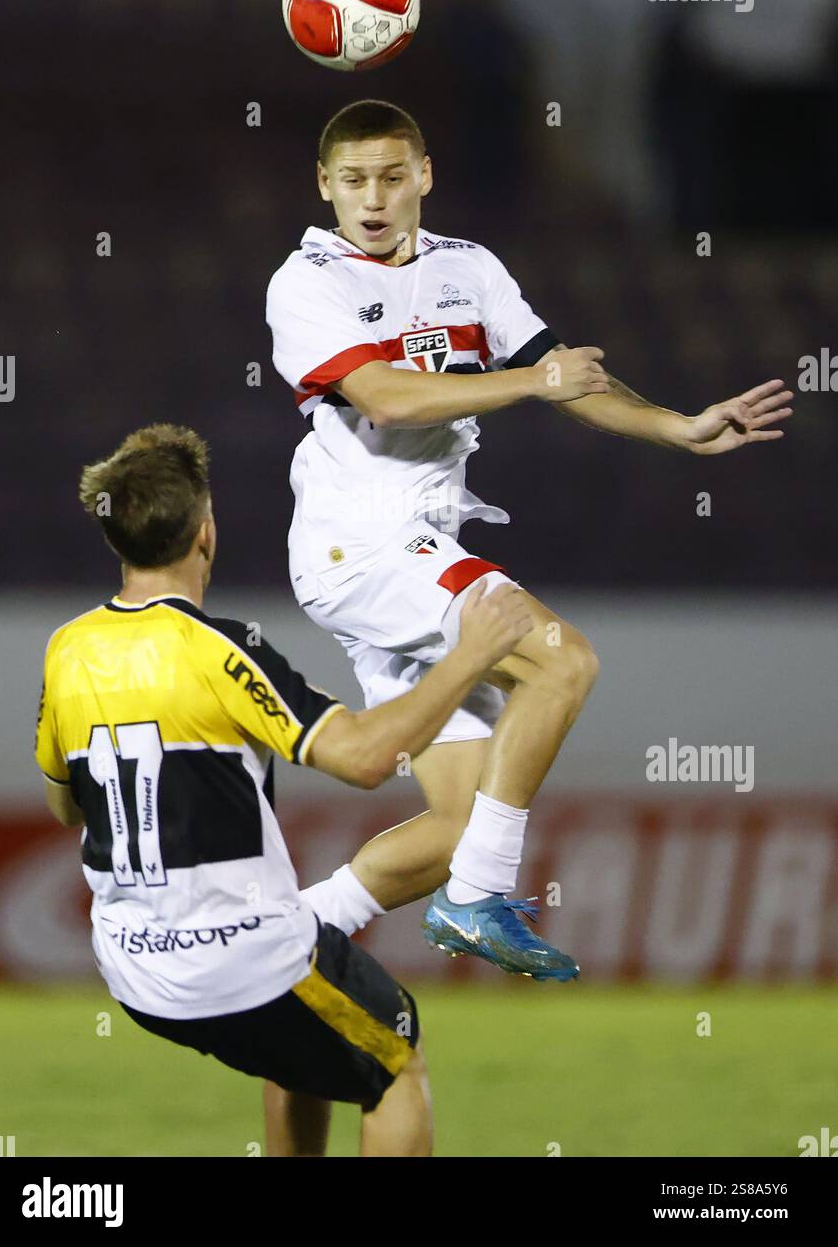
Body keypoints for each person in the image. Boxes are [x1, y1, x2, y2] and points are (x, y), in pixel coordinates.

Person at [265, 97, 793, 979]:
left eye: (393, 176)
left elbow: (570, 377)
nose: (374, 197)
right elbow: (388, 397)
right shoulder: (307, 281)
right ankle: (479, 900)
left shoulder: (469, 269)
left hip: (412, 544)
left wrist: (678, 429)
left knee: (459, 825)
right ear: (323, 186)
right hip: (362, 540)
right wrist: (527, 381)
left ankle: (285, 930)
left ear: (425, 176)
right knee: (562, 658)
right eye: (353, 180)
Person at [34, 422, 533, 1157]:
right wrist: (472, 655)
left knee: (303, 1043)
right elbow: (365, 760)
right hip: (236, 959)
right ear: (206, 532)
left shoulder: (68, 648)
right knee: (394, 1058)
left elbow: (64, 802)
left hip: (133, 967)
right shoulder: (223, 647)